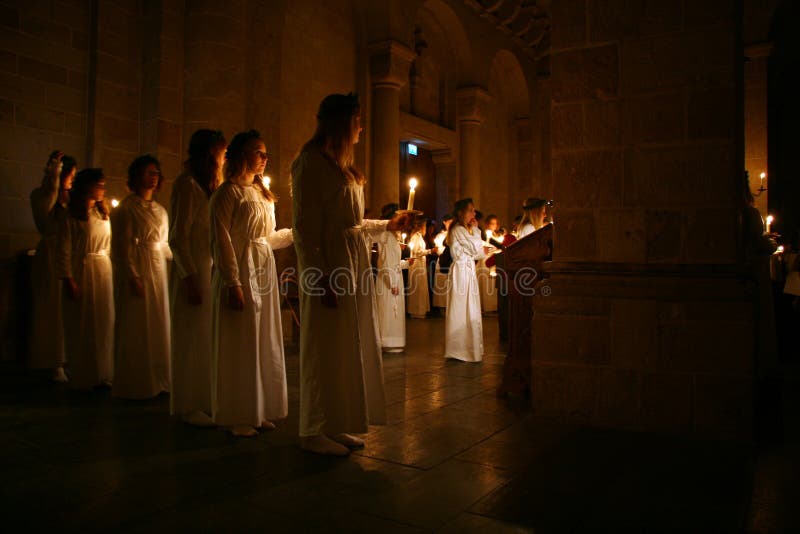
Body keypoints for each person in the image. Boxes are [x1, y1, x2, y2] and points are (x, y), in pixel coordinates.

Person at [291, 93, 410, 456]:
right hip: (328, 268)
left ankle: (337, 422)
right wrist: (320, 277)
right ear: (341, 122)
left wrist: (387, 225)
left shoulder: (342, 168)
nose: (361, 125)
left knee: (345, 346)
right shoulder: (309, 163)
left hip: (350, 265)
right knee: (321, 346)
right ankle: (313, 428)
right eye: (357, 119)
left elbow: (353, 225)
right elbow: (305, 229)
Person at [209, 130, 293, 437]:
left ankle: (259, 408)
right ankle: (237, 412)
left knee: (262, 337)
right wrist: (233, 282)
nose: (265, 158)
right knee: (240, 338)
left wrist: (295, 233)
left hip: (262, 267)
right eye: (259, 152)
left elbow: (267, 238)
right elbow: (222, 241)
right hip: (241, 270)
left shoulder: (261, 194)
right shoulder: (226, 193)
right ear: (242, 155)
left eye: (266, 153)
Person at [169, 129, 226, 427]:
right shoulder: (186, 186)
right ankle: (186, 403)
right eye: (221, 152)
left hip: (207, 269)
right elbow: (177, 237)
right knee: (189, 336)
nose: (224, 158)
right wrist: (189, 276)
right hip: (190, 271)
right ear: (208, 155)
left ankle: (204, 398)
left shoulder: (209, 187)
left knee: (204, 336)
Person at [111, 155, 171, 399]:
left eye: (156, 172)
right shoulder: (126, 209)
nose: (153, 176)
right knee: (137, 324)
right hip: (138, 266)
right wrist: (132, 275)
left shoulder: (160, 210)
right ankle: (136, 382)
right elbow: (120, 247)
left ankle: (159, 379)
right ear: (136, 177)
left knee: (157, 321)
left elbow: (164, 244)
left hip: (157, 268)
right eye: (148, 172)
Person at [57, 168, 114, 389]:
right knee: (82, 323)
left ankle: (103, 372)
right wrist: (68, 278)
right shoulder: (71, 217)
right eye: (98, 185)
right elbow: (64, 250)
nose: (102, 189)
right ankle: (83, 374)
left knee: (103, 321)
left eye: (103, 185)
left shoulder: (102, 213)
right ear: (86, 187)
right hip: (82, 269)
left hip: (103, 269)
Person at [29, 151, 76, 381]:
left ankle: (69, 357)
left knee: (67, 307)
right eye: (70, 175)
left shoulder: (71, 197)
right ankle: (53, 359)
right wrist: (55, 170)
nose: (72, 180)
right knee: (52, 307)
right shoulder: (43, 196)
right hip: (50, 255)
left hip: (68, 253)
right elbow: (49, 195)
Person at [444, 198, 486, 362]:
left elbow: (478, 253)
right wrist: (476, 231)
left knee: (471, 308)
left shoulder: (465, 230)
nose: (474, 214)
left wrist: (475, 236)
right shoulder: (458, 229)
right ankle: (459, 349)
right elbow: (477, 250)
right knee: (461, 308)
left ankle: (469, 347)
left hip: (467, 271)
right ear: (462, 213)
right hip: (461, 272)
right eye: (471, 210)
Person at [375, 203, 406, 352]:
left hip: (394, 277)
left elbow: (394, 262)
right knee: (388, 309)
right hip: (388, 280)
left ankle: (394, 341)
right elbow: (386, 262)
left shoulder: (393, 237)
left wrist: (406, 263)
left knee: (395, 310)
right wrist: (393, 283)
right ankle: (387, 342)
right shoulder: (386, 236)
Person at [406, 217, 431, 319]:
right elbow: (417, 251)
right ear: (421, 227)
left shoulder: (419, 236)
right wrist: (430, 251)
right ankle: (416, 310)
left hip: (420, 265)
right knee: (418, 288)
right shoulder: (416, 237)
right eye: (425, 226)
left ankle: (420, 310)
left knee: (421, 288)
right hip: (416, 265)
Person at [432, 214, 453, 310]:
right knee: (442, 285)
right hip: (444, 261)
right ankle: (442, 307)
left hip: (452, 262)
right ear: (444, 222)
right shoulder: (440, 236)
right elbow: (439, 250)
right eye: (449, 222)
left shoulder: (455, 234)